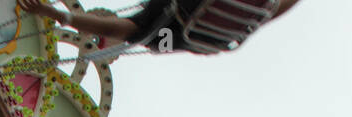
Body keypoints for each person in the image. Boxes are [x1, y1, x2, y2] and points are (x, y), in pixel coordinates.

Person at [17, 0, 300, 54]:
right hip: (210, 29)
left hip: (206, 29)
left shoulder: (157, 29)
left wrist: (58, 15)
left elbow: (115, 28)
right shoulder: (160, 30)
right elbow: (115, 30)